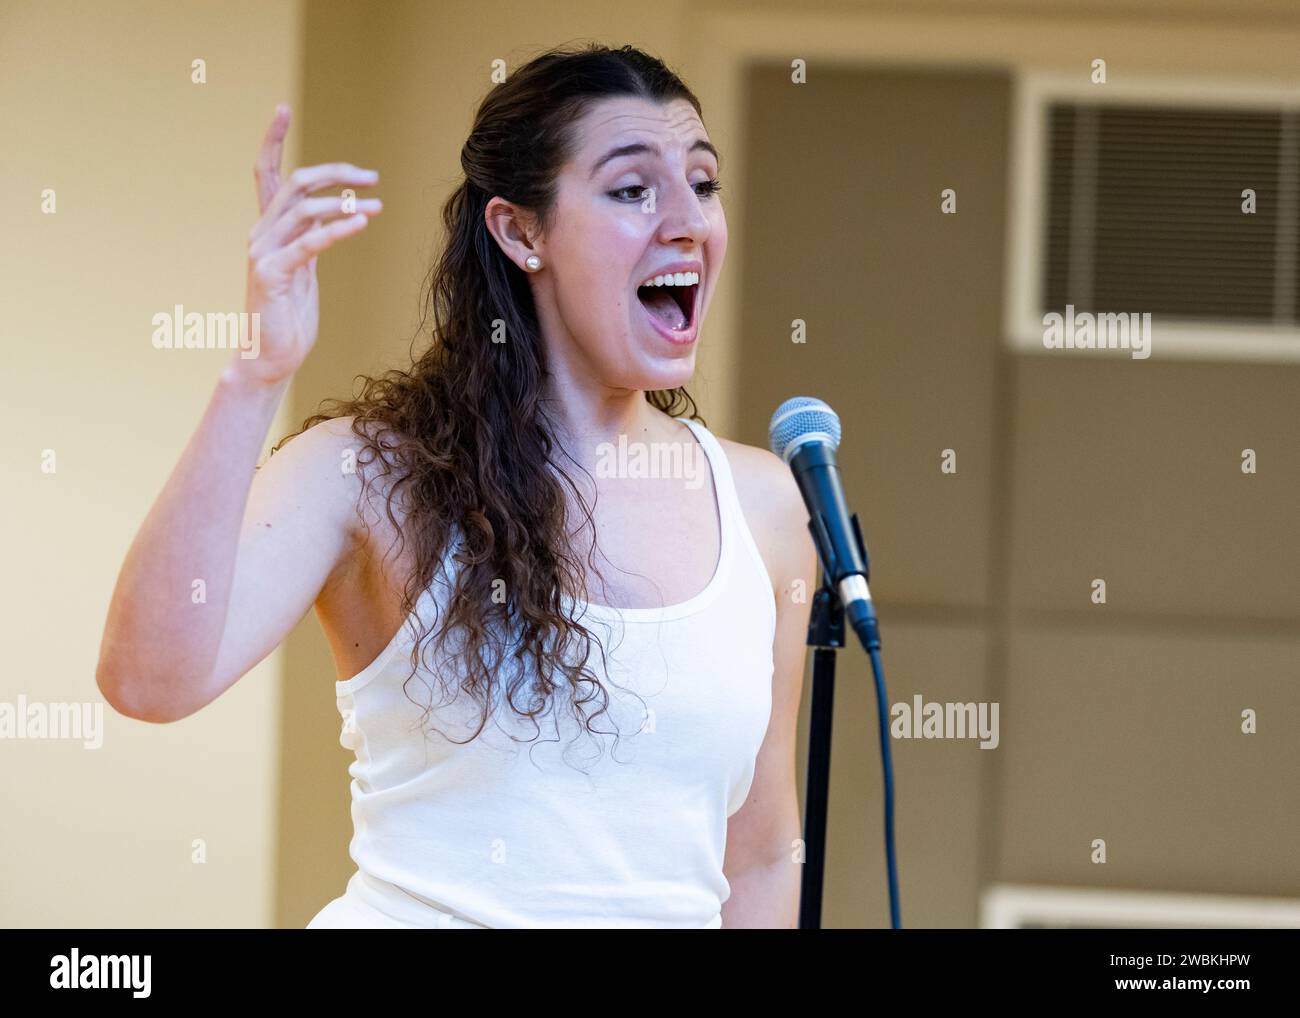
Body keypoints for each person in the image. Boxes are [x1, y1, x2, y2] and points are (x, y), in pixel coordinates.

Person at [95, 43, 816, 929]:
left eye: (702, 185)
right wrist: (256, 374)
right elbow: (147, 681)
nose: (688, 221)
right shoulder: (374, 473)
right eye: (632, 190)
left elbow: (760, 855)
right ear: (520, 232)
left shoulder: (766, 506)